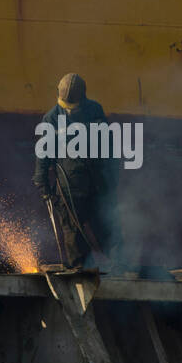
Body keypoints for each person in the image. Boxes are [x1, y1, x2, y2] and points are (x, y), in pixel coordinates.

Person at [33, 73, 118, 270]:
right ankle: (79, 270)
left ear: (83, 98)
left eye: (73, 106)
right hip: (68, 187)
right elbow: (43, 154)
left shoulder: (95, 111)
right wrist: (42, 182)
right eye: (65, 105)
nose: (69, 110)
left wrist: (112, 178)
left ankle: (117, 266)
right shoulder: (51, 118)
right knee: (73, 234)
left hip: (96, 183)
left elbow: (109, 147)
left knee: (106, 226)